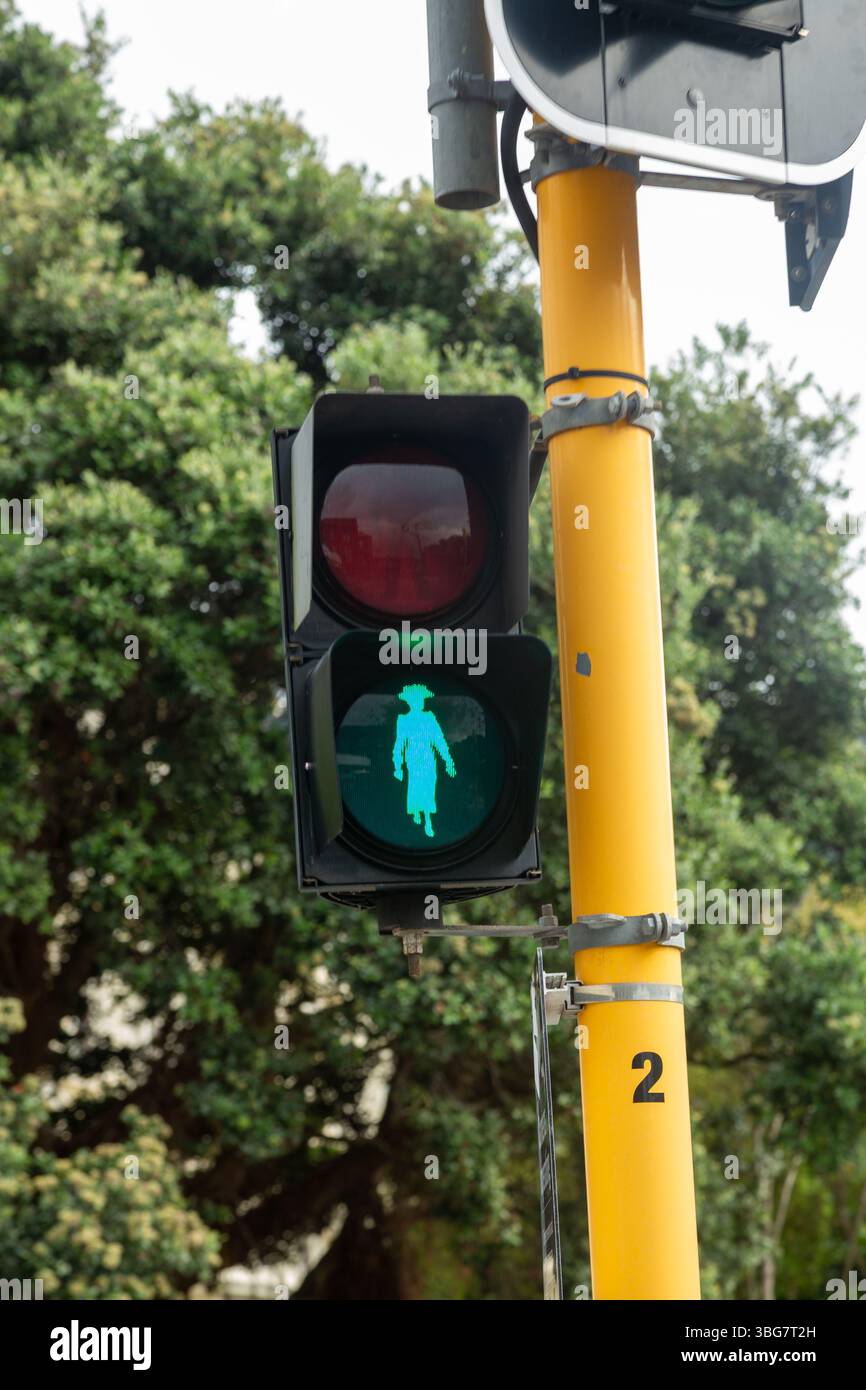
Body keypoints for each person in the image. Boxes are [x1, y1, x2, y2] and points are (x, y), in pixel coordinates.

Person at [392, 684, 456, 839]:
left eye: (420, 699)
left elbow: (439, 740)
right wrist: (398, 766)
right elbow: (399, 744)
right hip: (413, 760)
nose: (419, 702)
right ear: (409, 702)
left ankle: (427, 820)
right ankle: (416, 812)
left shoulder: (429, 718)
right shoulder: (403, 720)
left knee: (428, 788)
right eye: (415, 700)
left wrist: (449, 762)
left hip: (428, 759)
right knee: (415, 786)